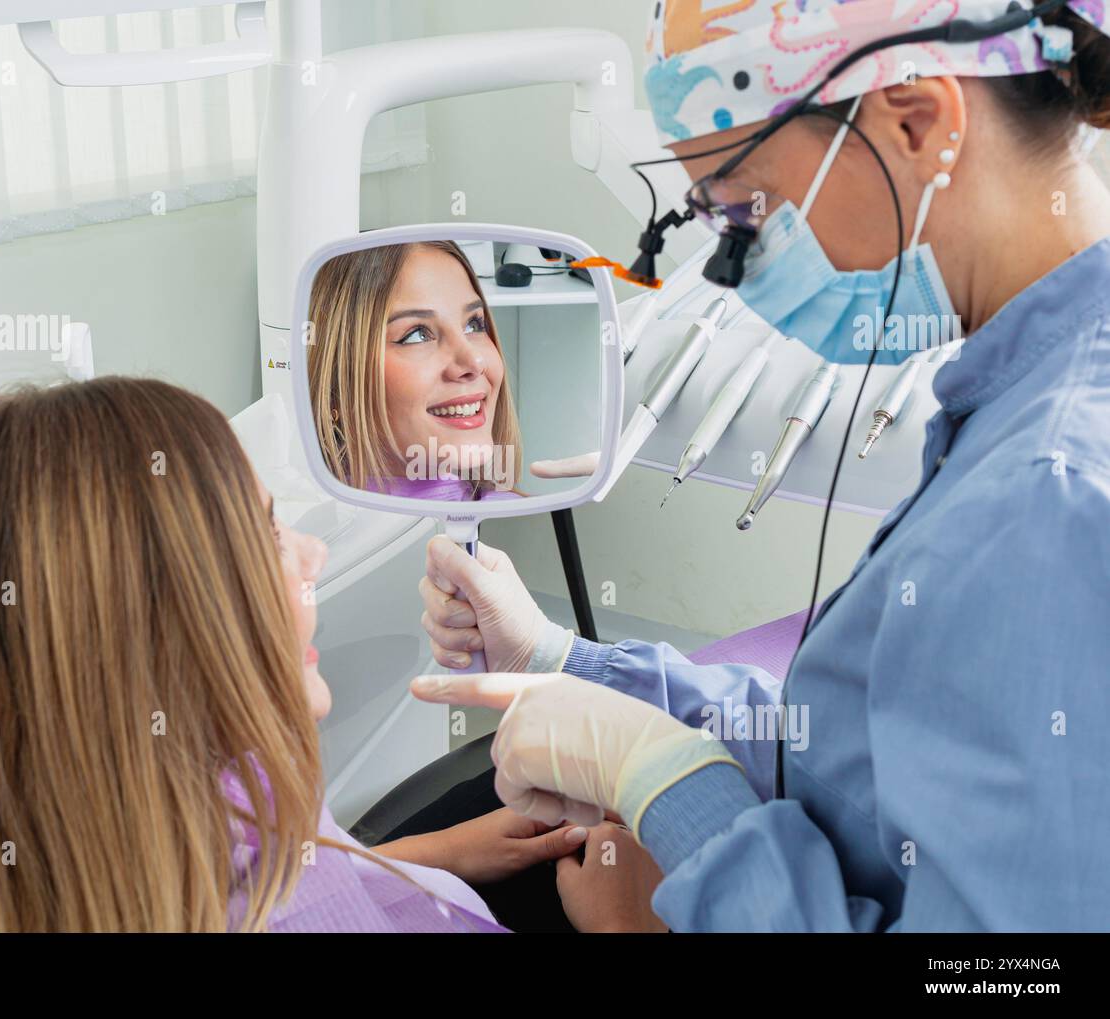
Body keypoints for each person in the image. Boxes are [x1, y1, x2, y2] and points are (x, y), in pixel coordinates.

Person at [414, 0, 1110, 931]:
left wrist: (668, 877)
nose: (730, 266)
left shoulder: (1044, 499)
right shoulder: (1017, 405)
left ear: (918, 123)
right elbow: (863, 758)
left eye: (745, 207)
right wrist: (567, 664)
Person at [0, 377, 601, 932]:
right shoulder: (278, 885)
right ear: (151, 627)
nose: (309, 555)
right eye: (268, 534)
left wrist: (420, 858)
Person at [306, 240, 523, 500]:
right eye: (417, 335)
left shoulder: (520, 519)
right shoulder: (298, 532)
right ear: (337, 389)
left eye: (474, 325)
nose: (474, 362)